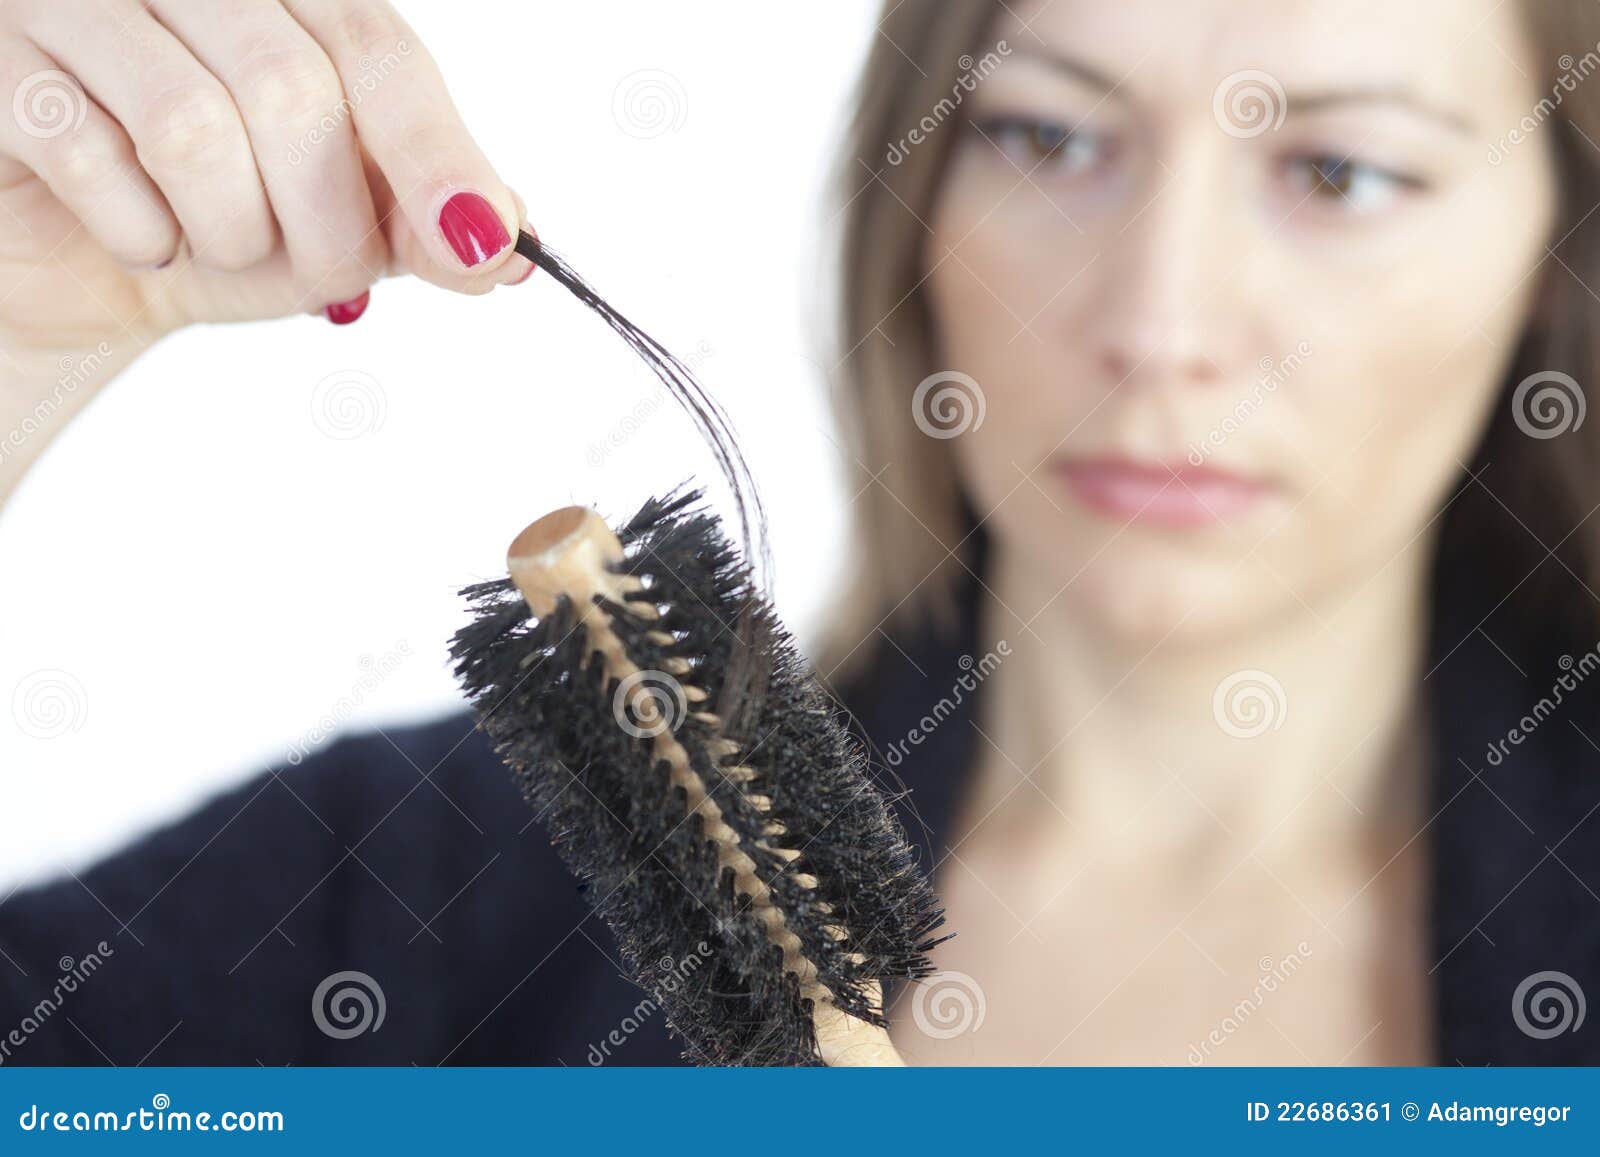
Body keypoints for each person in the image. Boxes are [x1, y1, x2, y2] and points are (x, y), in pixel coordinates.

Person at [2, 0, 1598, 1067]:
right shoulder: (417, 900)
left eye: (1344, 171)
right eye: (1048, 137)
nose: (1161, 319)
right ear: (913, 202)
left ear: (1555, 240)